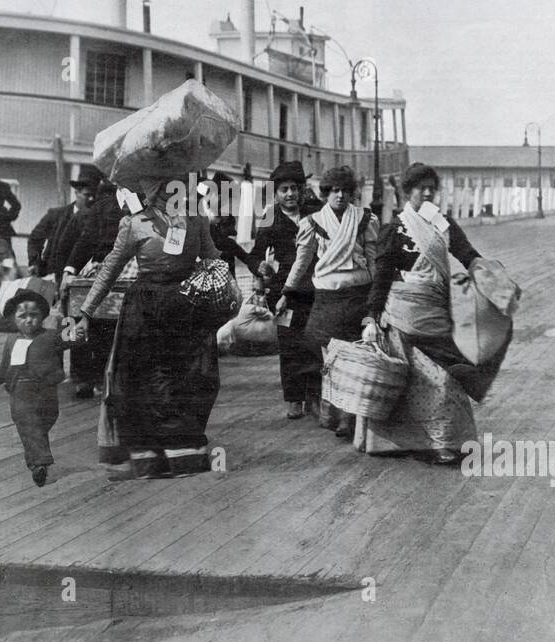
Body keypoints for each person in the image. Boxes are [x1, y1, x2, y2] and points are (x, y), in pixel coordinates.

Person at [75, 177, 234, 479]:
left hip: (187, 305)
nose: (172, 193)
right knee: (145, 380)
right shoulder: (134, 223)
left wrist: (227, 288)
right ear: (151, 190)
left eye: (177, 187)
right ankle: (153, 457)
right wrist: (86, 311)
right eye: (163, 188)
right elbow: (110, 267)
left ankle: (183, 452)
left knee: (195, 376)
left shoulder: (196, 217)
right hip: (145, 308)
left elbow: (212, 255)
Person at [361, 161, 511, 465]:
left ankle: (446, 442)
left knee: (449, 379)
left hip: (436, 315)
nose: (428, 193)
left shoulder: (444, 225)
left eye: (432, 188)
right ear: (408, 191)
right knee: (425, 382)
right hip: (404, 315)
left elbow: (467, 255)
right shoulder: (395, 228)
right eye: (421, 188)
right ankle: (419, 443)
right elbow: (382, 276)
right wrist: (371, 316)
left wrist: (490, 277)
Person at [275, 165, 377, 442]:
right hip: (327, 298)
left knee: (355, 358)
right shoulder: (312, 223)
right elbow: (302, 262)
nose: (339, 196)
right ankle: (331, 411)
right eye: (333, 190)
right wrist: (287, 291)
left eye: (344, 190)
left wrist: (377, 299)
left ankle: (348, 416)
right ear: (325, 193)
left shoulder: (366, 219)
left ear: (352, 193)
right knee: (328, 357)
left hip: (357, 295)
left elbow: (374, 260)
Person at [242, 160, 322, 420]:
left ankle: (315, 397)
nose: (290, 194)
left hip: (315, 289)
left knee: (315, 344)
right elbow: (254, 255)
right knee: (290, 347)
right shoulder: (270, 217)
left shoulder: (316, 213)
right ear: (276, 193)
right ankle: (294, 398)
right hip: (283, 295)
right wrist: (259, 266)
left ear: (302, 190)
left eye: (294, 189)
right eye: (283, 189)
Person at [0, 290, 74, 488]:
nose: (29, 320)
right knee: (29, 425)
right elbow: (6, 362)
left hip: (46, 389)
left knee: (46, 419)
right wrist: (1, 376)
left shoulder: (50, 336)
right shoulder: (12, 340)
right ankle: (39, 464)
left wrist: (70, 321)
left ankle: (37, 455)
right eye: (23, 316)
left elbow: (72, 337)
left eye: (34, 315)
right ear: (13, 319)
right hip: (20, 389)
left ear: (43, 317)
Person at [62, 178, 125, 399]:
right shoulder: (103, 206)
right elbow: (86, 241)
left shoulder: (152, 205)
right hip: (102, 270)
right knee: (78, 316)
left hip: (136, 269)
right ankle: (83, 376)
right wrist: (69, 270)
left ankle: (109, 378)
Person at [27, 165, 103, 283]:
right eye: (87, 195)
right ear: (76, 192)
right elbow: (35, 238)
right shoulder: (56, 214)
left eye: (94, 195)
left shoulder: (98, 219)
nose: (92, 199)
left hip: (78, 276)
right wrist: (35, 262)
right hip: (51, 275)